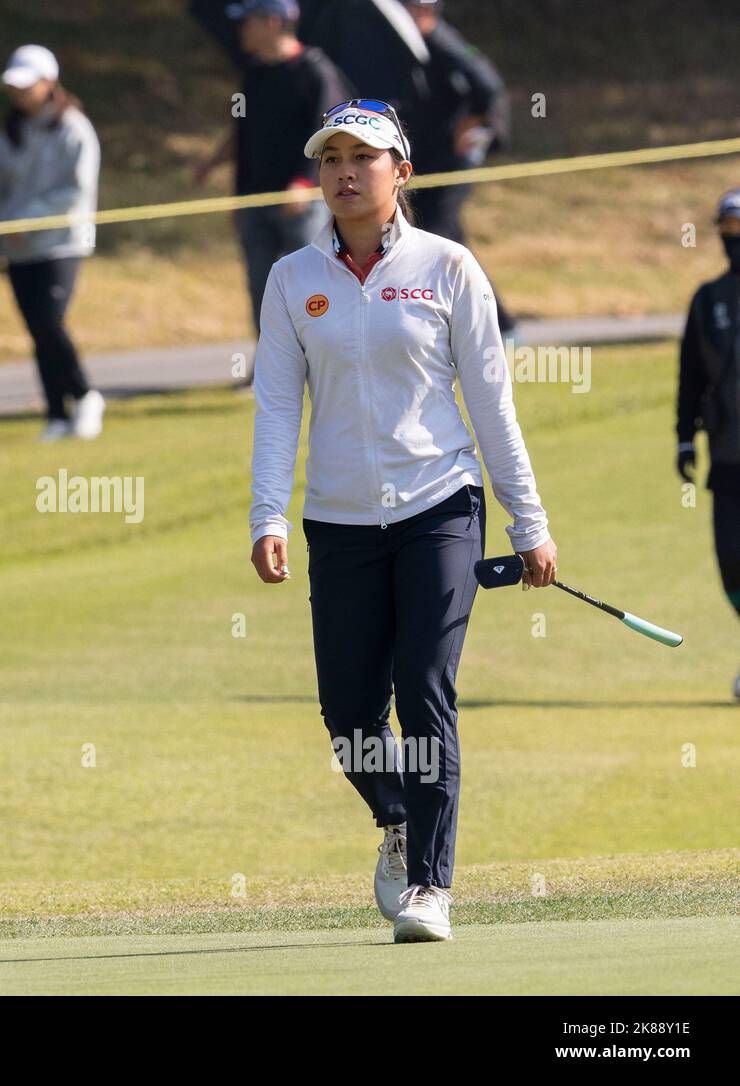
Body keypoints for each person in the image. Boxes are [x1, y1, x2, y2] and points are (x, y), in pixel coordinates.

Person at [249, 100, 557, 942]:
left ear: (402, 172)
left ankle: (430, 885)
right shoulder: (292, 280)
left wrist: (528, 523)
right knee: (349, 712)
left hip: (440, 509)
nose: (346, 172)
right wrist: (265, 513)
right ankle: (395, 818)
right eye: (332, 158)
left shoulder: (449, 267)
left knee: (423, 689)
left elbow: (492, 405)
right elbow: (277, 407)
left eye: (365, 157)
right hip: (339, 524)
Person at [191, 0, 349, 343]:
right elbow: (242, 134)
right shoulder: (253, 73)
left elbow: (329, 135)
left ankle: (325, 352)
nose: (243, 29)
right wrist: (216, 167)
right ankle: (270, 361)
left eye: (249, 21)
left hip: (303, 202)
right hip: (255, 200)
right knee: (261, 285)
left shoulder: (314, 70)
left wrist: (304, 182)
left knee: (314, 281)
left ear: (274, 22)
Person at [0, 44, 103, 441]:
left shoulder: (74, 128)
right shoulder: (7, 134)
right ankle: (55, 413)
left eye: (26, 85)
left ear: (49, 83)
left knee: (50, 323)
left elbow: (75, 191)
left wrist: (26, 222)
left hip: (61, 244)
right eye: (14, 86)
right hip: (17, 251)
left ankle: (84, 395)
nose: (18, 93)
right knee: (37, 329)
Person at [402, 0, 516, 333]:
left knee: (435, 235)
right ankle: (490, 321)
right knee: (449, 240)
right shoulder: (414, 45)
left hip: (454, 162)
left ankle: (494, 324)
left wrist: (476, 122)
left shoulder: (442, 41)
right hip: (431, 160)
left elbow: (489, 86)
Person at [678, 188, 740, 700]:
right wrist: (683, 439)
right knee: (732, 564)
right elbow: (690, 376)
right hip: (727, 456)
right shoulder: (708, 300)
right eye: (729, 231)